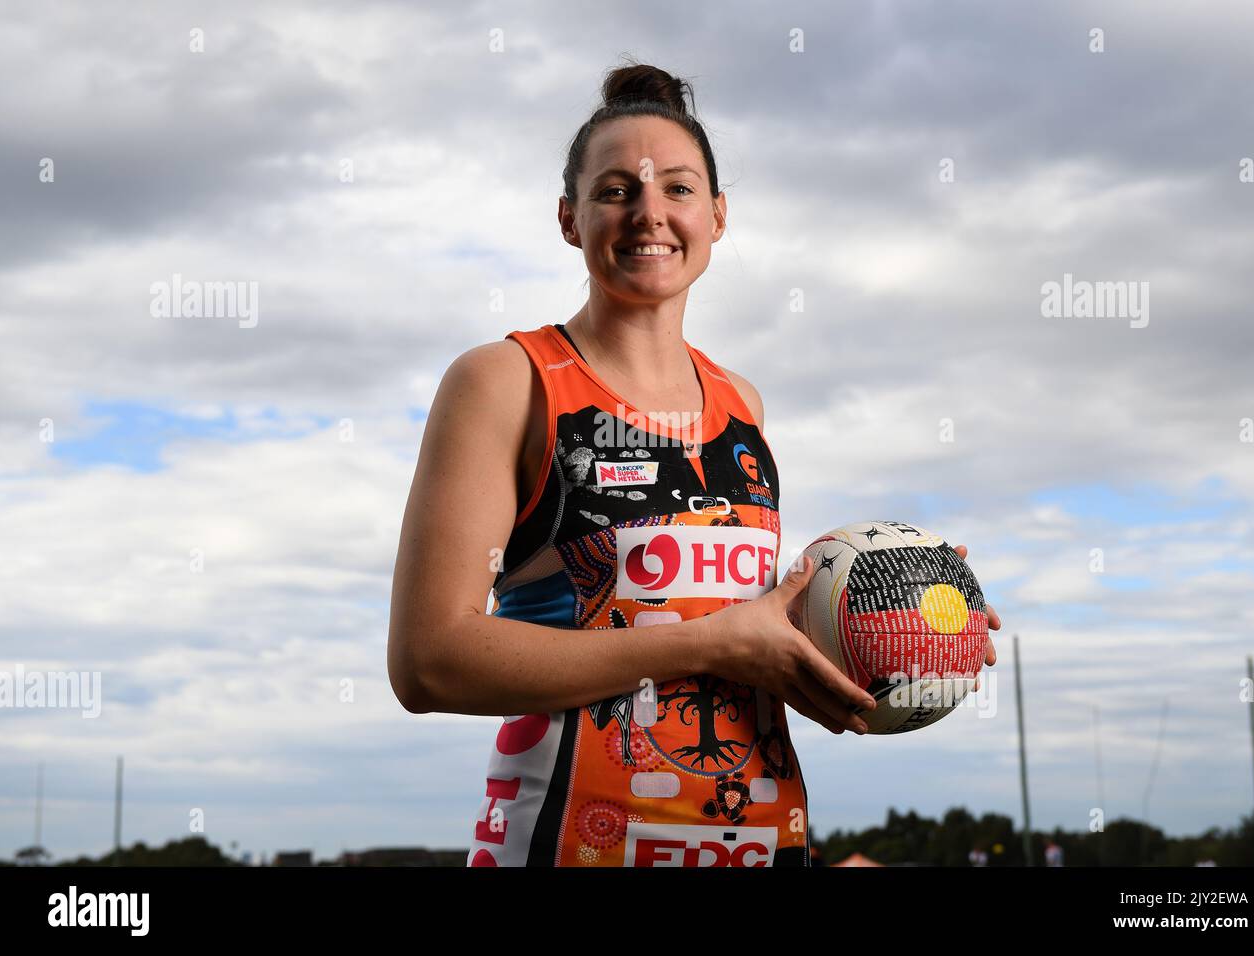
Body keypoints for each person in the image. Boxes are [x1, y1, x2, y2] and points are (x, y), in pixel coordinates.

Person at [386, 61, 999, 867]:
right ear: (570, 218)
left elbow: (745, 642)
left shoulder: (744, 405)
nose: (648, 213)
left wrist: (891, 611)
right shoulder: (508, 382)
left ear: (717, 214)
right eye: (615, 190)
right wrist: (711, 644)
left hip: (762, 844)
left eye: (677, 189)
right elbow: (430, 663)